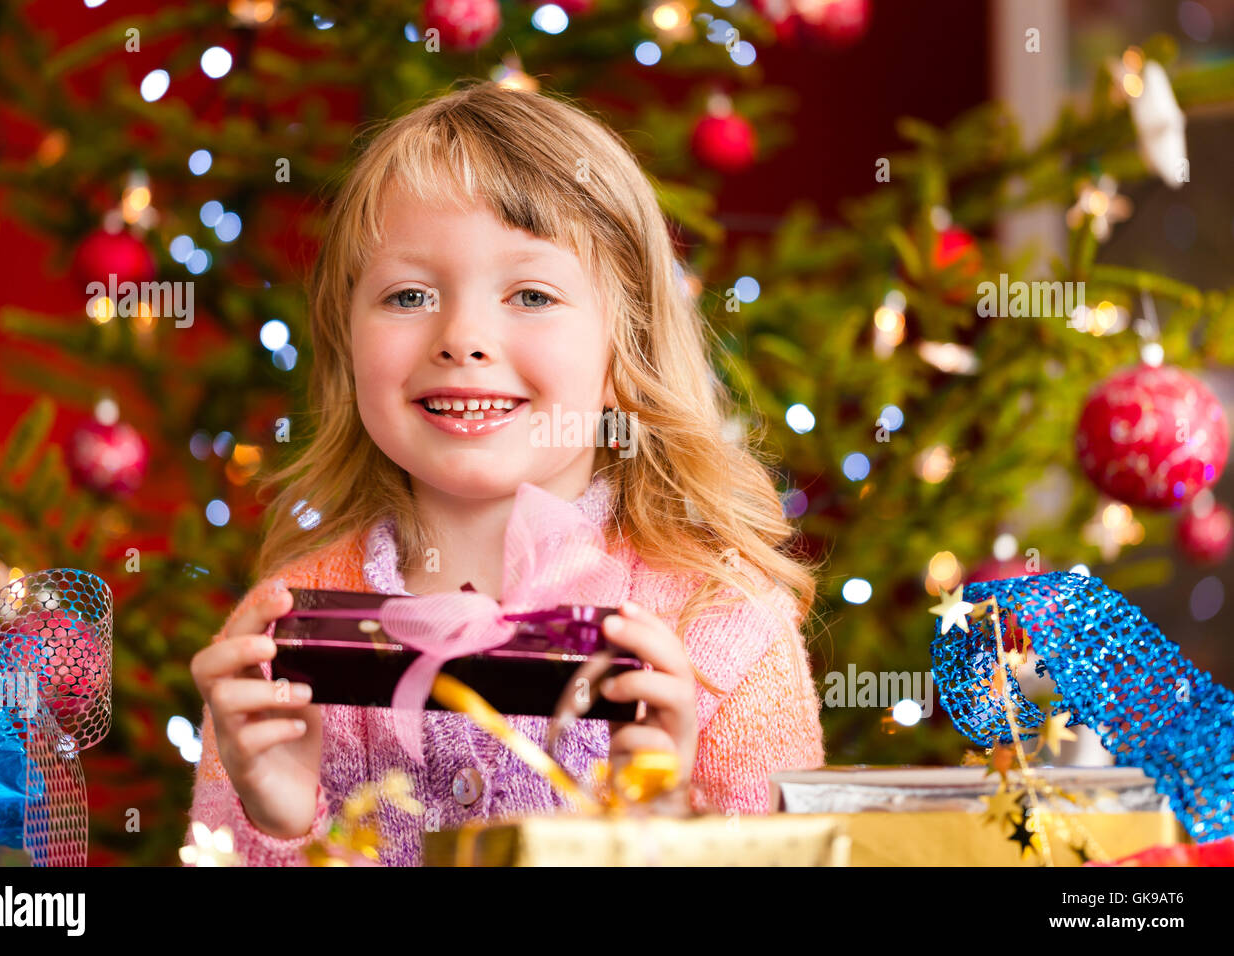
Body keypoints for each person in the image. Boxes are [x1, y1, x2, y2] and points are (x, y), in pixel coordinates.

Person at [187, 79, 824, 866]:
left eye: (531, 293)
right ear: (347, 344)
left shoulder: (724, 634)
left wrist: (668, 834)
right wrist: (280, 825)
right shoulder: (281, 640)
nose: (463, 337)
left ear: (626, 352)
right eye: (410, 294)